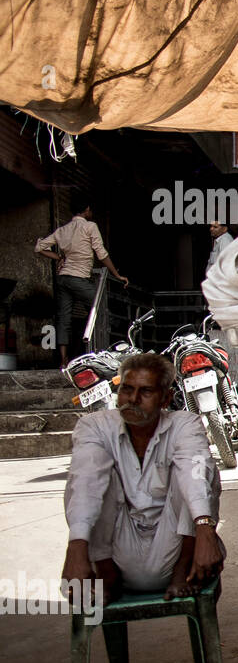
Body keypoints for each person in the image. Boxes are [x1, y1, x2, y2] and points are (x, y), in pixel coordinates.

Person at [60, 353, 224, 603]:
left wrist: (205, 528)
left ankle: (182, 572)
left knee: (198, 471)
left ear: (166, 398)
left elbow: (196, 475)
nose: (132, 400)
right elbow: (86, 483)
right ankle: (106, 576)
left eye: (145, 392)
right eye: (126, 389)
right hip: (117, 552)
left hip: (176, 547)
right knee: (85, 476)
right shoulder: (94, 426)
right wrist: (76, 546)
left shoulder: (185, 423)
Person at [34, 203, 128, 364]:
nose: (91, 212)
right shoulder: (90, 227)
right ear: (87, 209)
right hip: (78, 279)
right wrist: (117, 274)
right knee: (101, 309)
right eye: (91, 210)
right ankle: (108, 351)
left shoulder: (62, 230)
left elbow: (39, 247)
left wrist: (59, 258)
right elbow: (101, 254)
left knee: (64, 319)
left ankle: (63, 359)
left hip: (63, 279)